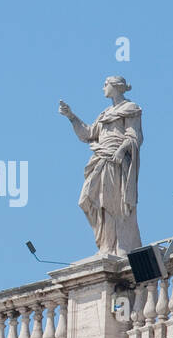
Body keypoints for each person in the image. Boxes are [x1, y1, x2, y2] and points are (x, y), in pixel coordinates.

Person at [59, 77, 142, 255]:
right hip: (100, 159)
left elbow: (135, 137)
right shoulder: (104, 113)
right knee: (88, 199)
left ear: (117, 87)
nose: (103, 87)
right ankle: (106, 243)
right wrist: (71, 116)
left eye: (106, 84)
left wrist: (121, 151)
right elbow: (88, 134)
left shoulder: (130, 109)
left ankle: (117, 246)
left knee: (113, 203)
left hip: (115, 160)